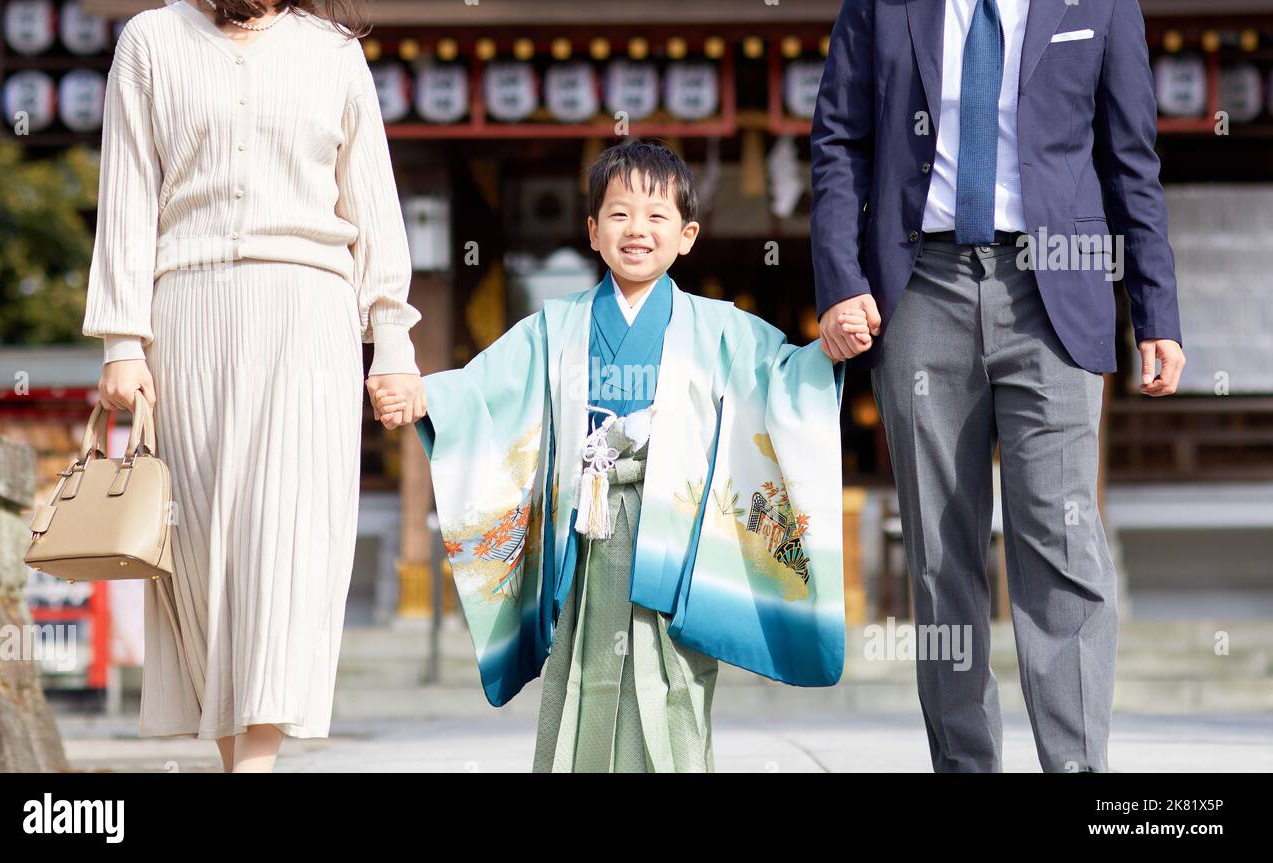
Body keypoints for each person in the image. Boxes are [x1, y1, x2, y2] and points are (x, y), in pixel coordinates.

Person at [810, 0, 1186, 772]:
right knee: (939, 553)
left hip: (1057, 290)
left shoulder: (1102, 5)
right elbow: (839, 141)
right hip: (921, 289)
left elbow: (1130, 161)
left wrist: (1157, 312)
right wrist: (840, 282)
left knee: (1063, 542)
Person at [410, 139, 861, 772]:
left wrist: (829, 351)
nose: (638, 230)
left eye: (657, 217)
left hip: (673, 540)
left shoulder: (722, 327)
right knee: (585, 673)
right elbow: (484, 391)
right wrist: (424, 394)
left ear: (688, 236)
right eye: (619, 215)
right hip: (588, 533)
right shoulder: (555, 325)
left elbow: (787, 381)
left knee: (670, 679)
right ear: (592, 232)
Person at [82, 0, 426, 773]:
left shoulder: (333, 52)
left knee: (287, 539)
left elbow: (372, 200)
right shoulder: (150, 40)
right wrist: (121, 339)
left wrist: (393, 341)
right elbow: (128, 192)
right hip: (187, 313)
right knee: (205, 551)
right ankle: (241, 764)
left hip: (308, 311)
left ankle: (257, 765)